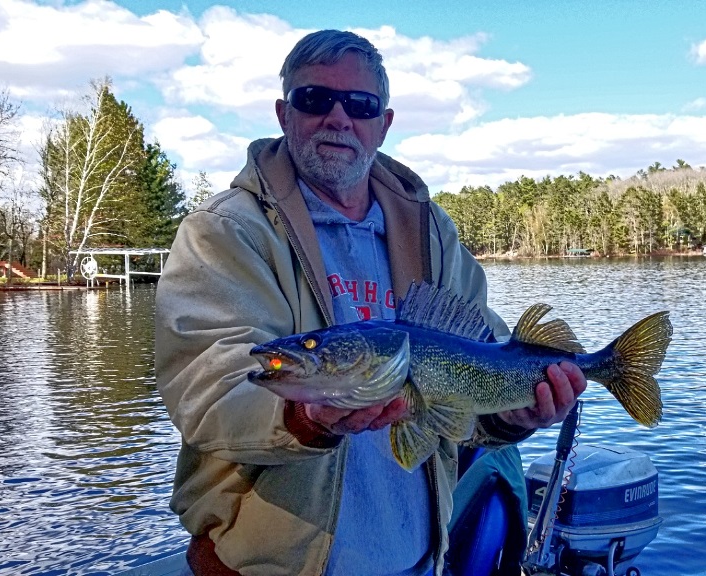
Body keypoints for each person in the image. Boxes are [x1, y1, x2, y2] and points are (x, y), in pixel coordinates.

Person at [155, 29, 587, 576]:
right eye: (315, 99)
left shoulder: (432, 234)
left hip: (418, 560)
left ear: (382, 125)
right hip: (266, 565)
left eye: (359, 105)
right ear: (284, 114)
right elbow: (208, 386)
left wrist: (515, 414)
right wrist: (303, 415)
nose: (339, 118)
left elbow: (472, 384)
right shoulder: (225, 233)